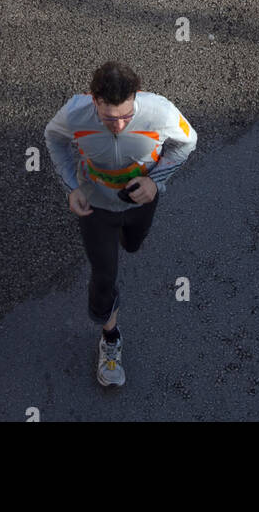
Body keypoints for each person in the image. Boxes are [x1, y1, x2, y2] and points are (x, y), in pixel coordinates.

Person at [44, 60, 197, 388]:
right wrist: (72, 187)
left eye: (127, 116)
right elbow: (53, 139)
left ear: (136, 95)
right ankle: (110, 337)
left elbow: (187, 142)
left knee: (132, 245)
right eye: (109, 118)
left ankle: (125, 243)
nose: (119, 125)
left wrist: (156, 182)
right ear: (94, 99)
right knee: (104, 275)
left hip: (140, 202)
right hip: (96, 207)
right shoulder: (74, 113)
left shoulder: (160, 112)